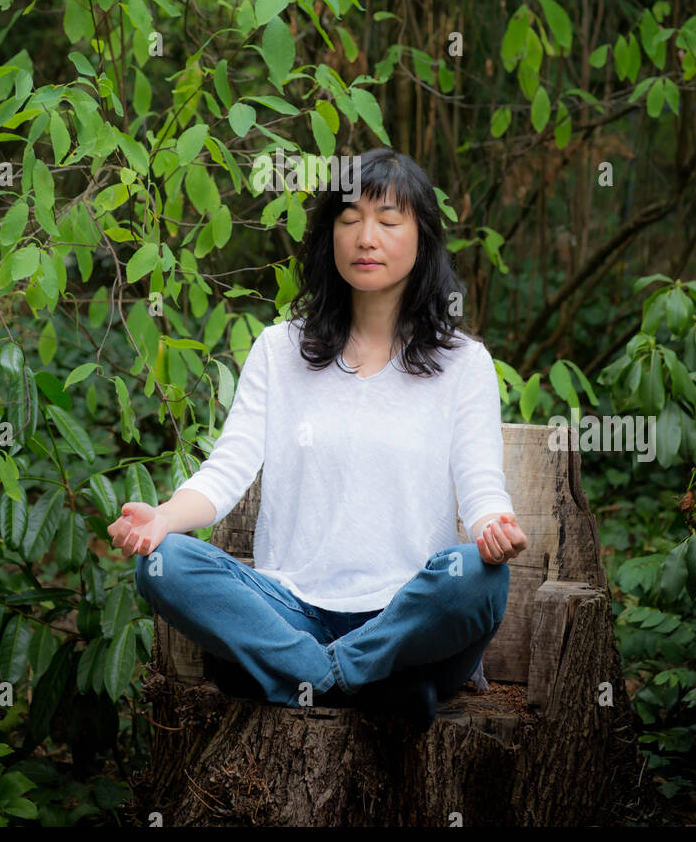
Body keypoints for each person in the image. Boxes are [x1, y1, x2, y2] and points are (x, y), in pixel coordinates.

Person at [109, 147, 527, 732]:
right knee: (163, 566)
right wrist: (163, 518)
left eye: (388, 220)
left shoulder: (464, 364)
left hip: (408, 618)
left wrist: (494, 529)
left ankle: (303, 675)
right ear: (329, 234)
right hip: (292, 610)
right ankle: (359, 681)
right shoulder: (280, 350)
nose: (365, 237)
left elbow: (481, 485)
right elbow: (227, 469)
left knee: (480, 578)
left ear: (422, 237)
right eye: (349, 218)